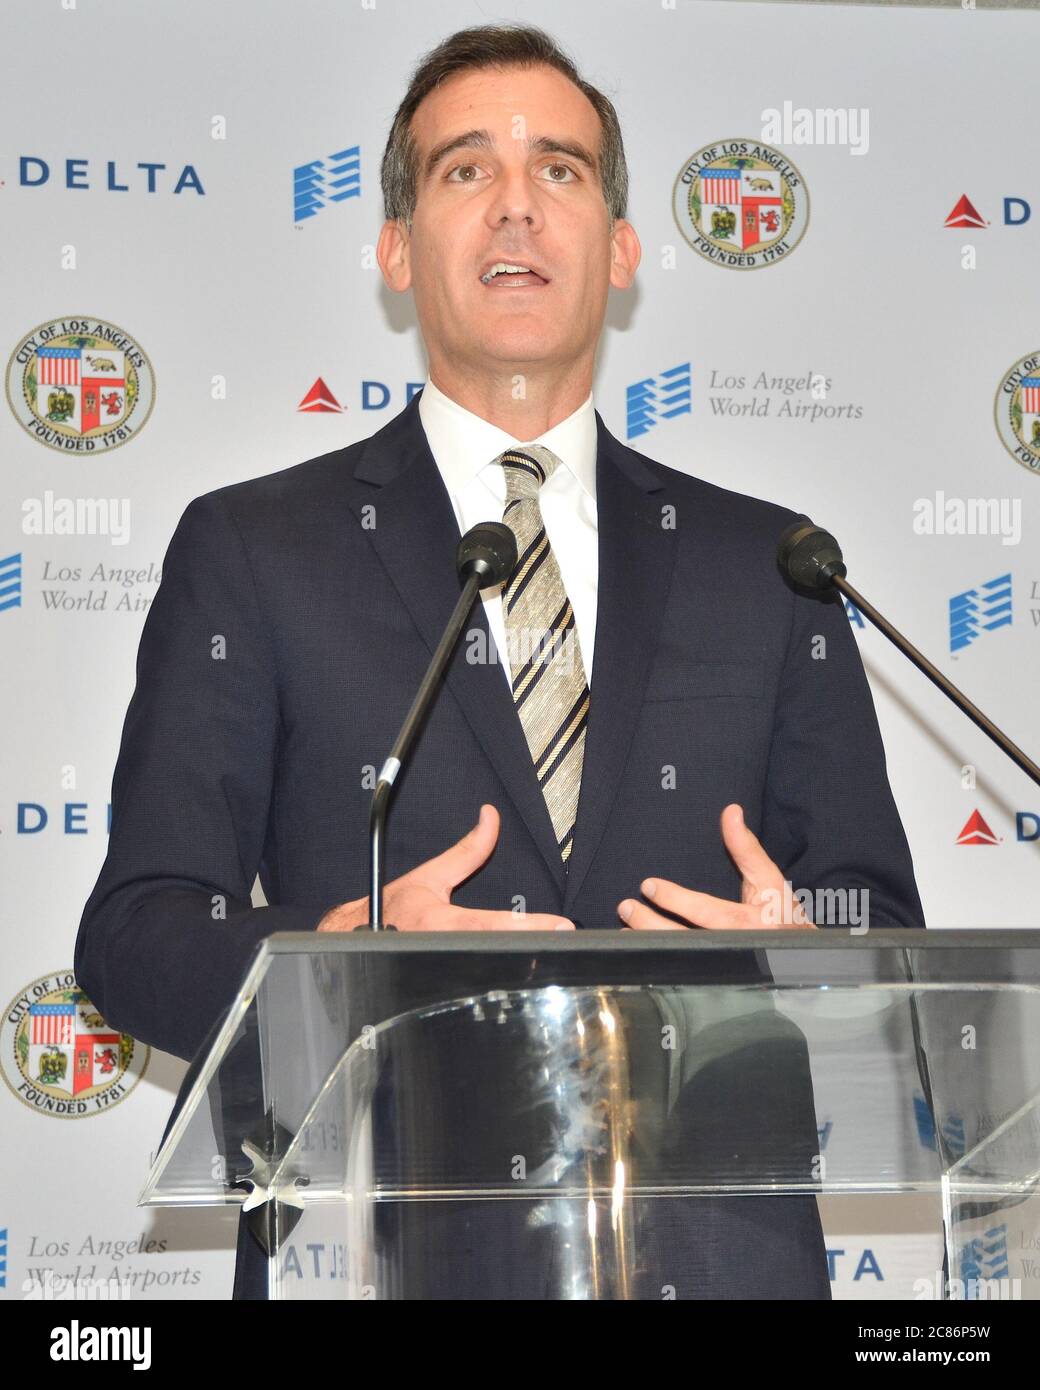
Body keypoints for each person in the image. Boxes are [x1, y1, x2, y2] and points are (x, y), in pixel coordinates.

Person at [75, 22, 925, 1300]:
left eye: (563, 172)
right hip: (377, 1251)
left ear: (623, 251)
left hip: (716, 1258)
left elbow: (879, 917)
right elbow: (138, 935)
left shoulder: (771, 564)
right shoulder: (256, 549)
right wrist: (338, 950)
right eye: (466, 172)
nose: (519, 206)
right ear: (398, 249)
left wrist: (807, 949)